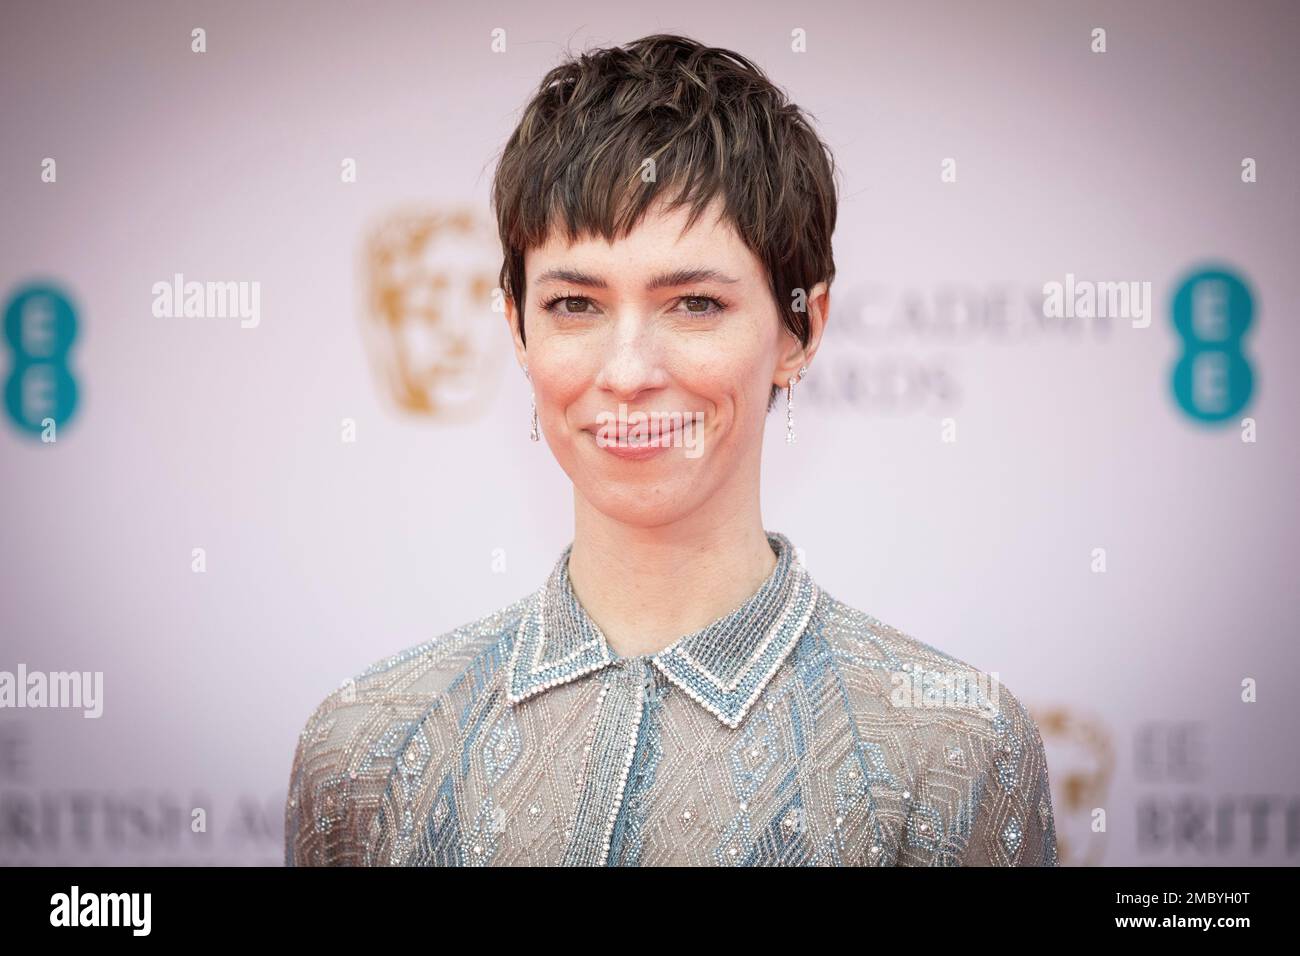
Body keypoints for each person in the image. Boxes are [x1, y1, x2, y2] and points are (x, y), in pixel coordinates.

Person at [285, 33, 1058, 867]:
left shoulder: (951, 752)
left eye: (693, 304)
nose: (626, 373)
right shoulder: (365, 751)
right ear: (515, 325)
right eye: (575, 305)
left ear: (802, 329)